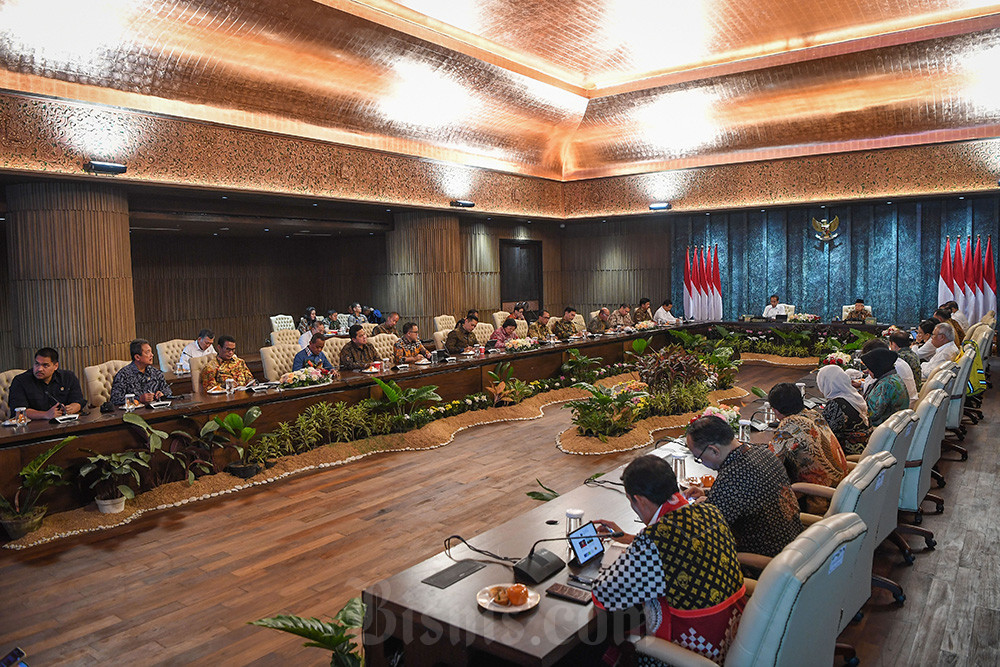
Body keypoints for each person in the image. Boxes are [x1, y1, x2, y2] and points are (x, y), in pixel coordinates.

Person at [592, 455, 746, 664]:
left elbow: (606, 593)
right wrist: (629, 539)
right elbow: (683, 545)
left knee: (606, 639)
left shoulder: (654, 541)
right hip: (733, 637)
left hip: (691, 650)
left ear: (639, 500)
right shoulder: (711, 511)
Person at [684, 416, 803, 558]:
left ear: (714, 451)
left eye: (699, 458)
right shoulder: (763, 452)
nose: (702, 463)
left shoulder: (732, 476)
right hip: (796, 544)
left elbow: (706, 530)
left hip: (769, 559)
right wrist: (708, 493)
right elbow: (746, 494)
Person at [767, 382, 848, 514]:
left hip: (820, 498)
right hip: (842, 488)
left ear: (775, 410)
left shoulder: (790, 425)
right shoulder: (813, 414)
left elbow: (770, 462)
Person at [8, 347, 85, 420]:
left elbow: (79, 401)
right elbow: (18, 411)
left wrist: (71, 409)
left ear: (56, 366)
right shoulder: (20, 381)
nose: (39, 369)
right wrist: (46, 414)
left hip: (64, 423)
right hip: (32, 426)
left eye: (45, 365)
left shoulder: (68, 377)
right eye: (37, 364)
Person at [816, 365, 871, 456]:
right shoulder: (854, 396)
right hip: (864, 447)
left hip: (848, 453)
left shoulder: (837, 404)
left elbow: (825, 434)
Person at [111, 339, 172, 406]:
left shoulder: (155, 372)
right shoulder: (123, 375)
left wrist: (162, 393)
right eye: (147, 352)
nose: (152, 355)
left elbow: (168, 390)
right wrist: (138, 399)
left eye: (151, 352)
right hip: (135, 411)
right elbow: (115, 399)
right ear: (137, 357)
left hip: (156, 409)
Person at [861, 347, 909, 429]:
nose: (867, 371)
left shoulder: (886, 385)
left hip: (883, 428)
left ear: (877, 367)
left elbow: (872, 414)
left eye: (870, 368)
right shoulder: (893, 378)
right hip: (896, 425)